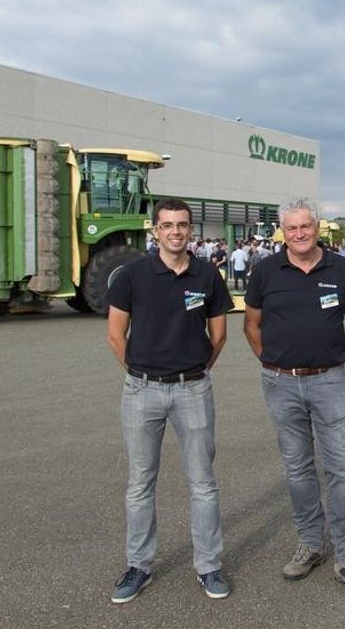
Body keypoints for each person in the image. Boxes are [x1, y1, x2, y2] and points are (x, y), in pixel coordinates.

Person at [243, 196, 345, 600]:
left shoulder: (341, 268)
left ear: (317, 228)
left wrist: (332, 361)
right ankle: (311, 544)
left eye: (307, 226)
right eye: (292, 228)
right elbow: (252, 325)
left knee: (342, 472)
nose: (300, 234)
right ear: (283, 231)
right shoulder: (265, 270)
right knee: (298, 470)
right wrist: (272, 363)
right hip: (281, 384)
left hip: (329, 382)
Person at [105, 198, 232, 604]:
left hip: (193, 389)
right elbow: (115, 335)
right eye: (167, 225)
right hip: (142, 391)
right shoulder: (132, 276)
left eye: (182, 225)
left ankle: (209, 565)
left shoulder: (208, 276)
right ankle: (138, 566)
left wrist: (192, 370)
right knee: (140, 484)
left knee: (203, 484)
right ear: (155, 230)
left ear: (191, 230)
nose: (175, 231)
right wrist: (143, 371)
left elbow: (219, 335)